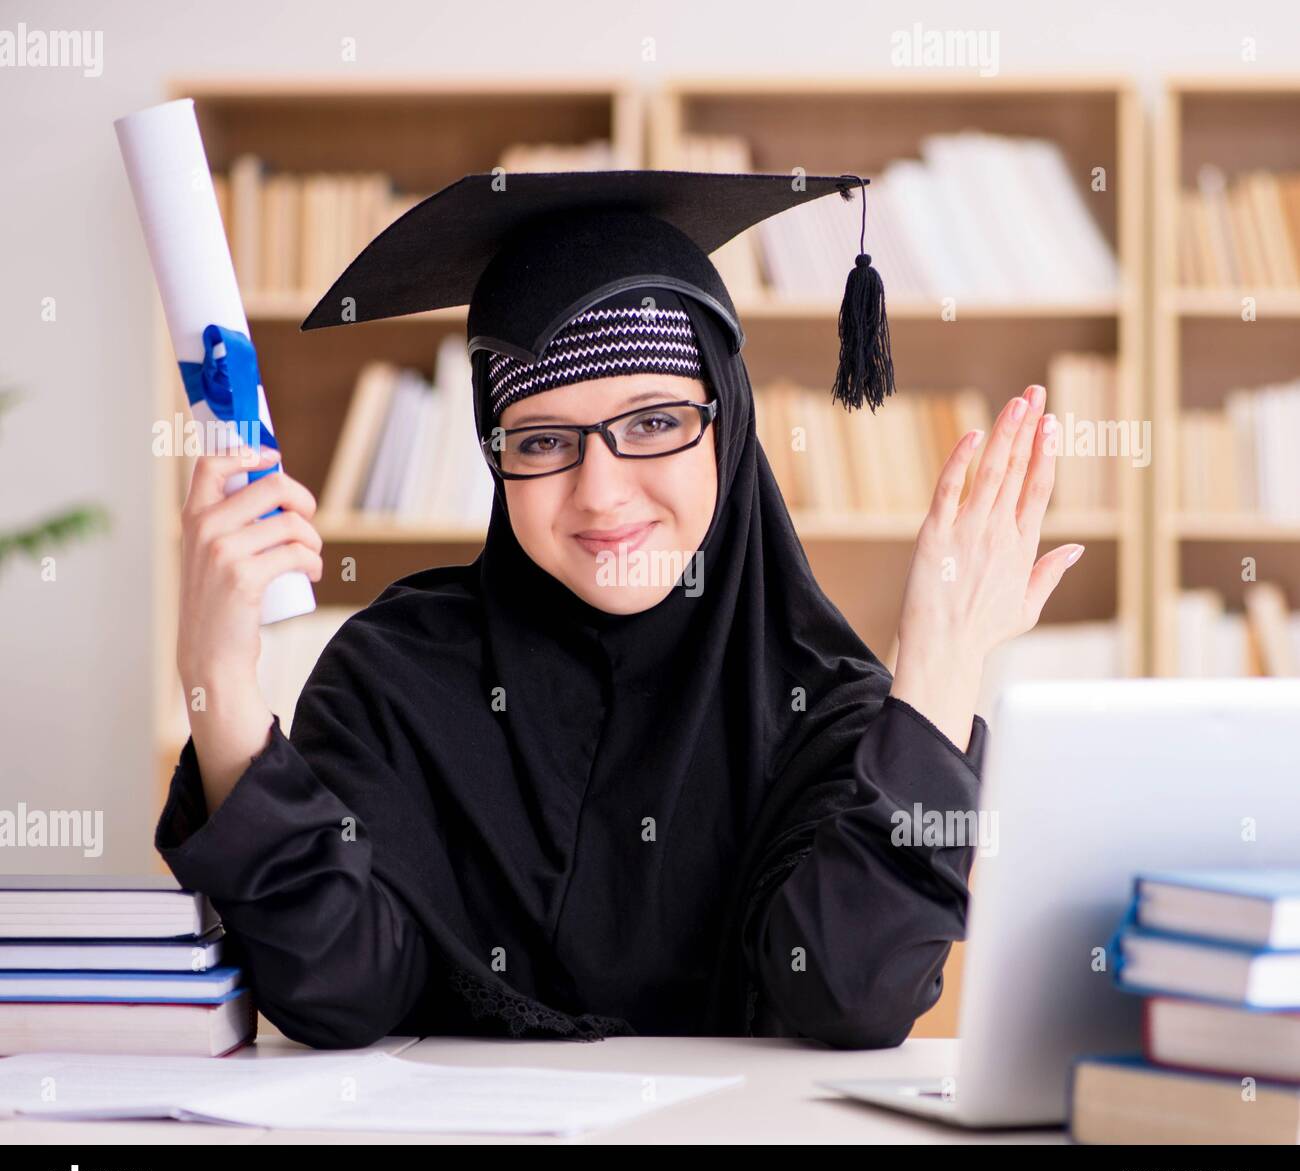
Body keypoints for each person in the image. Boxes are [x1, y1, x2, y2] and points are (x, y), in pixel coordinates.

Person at [155, 171, 1083, 1049]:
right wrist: (218, 686)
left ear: (730, 422)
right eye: (544, 438)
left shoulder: (825, 713)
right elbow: (336, 986)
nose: (599, 492)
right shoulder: (393, 678)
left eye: (652, 422)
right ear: (493, 455)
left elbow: (844, 994)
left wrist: (941, 674)